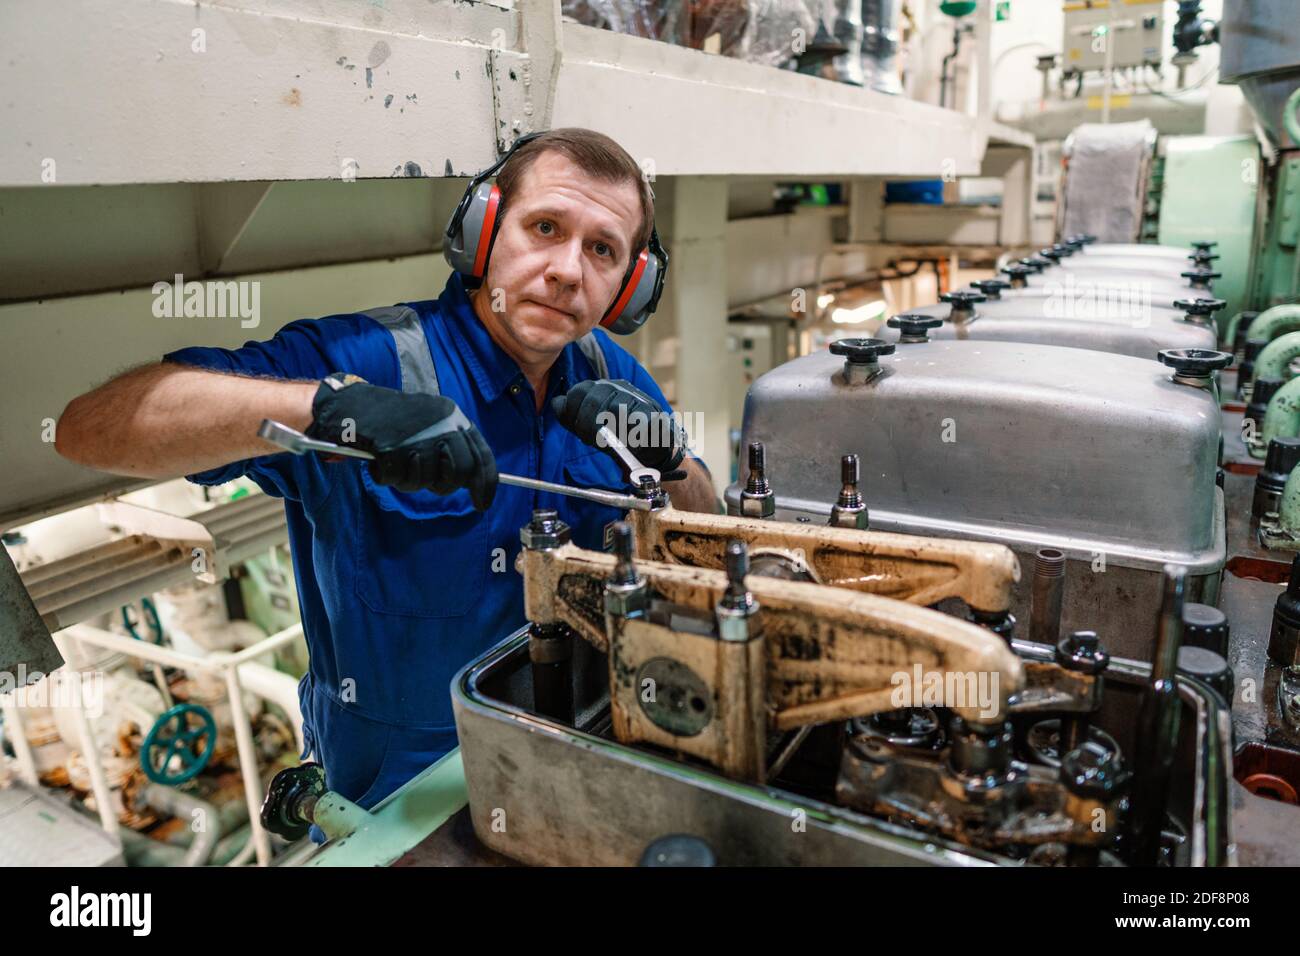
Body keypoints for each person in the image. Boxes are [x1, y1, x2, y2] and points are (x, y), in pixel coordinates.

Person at [55, 128, 717, 818]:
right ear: (483, 231)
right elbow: (92, 429)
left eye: (601, 249)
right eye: (544, 227)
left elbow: (704, 530)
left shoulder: (616, 376)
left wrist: (669, 459)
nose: (567, 270)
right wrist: (324, 409)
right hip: (401, 801)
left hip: (585, 754)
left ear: (629, 285)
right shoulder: (369, 359)